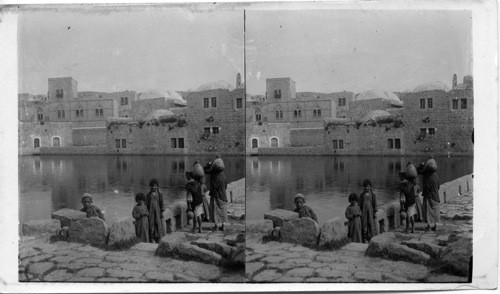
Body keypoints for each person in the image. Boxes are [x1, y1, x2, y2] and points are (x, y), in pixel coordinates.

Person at [204, 156, 228, 231]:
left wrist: (209, 164)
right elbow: (225, 187)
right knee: (223, 210)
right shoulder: (223, 176)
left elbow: (204, 170)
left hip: (215, 195)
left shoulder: (213, 174)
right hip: (223, 196)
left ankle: (216, 226)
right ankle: (223, 225)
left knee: (215, 211)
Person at [422, 159, 440, 232]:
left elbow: (425, 187)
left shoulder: (427, 177)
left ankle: (429, 227)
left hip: (429, 197)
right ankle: (435, 226)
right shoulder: (436, 176)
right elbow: (438, 187)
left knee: (428, 212)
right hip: (436, 197)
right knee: (435, 211)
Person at [146, 178, 165, 243]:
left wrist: (162, 212)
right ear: (151, 187)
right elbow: (146, 205)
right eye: (152, 186)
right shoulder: (148, 195)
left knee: (158, 224)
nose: (154, 188)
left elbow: (162, 204)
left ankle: (158, 237)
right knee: (151, 225)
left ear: (157, 186)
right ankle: (152, 237)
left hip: (158, 212)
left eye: (155, 186)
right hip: (150, 213)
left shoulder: (160, 195)